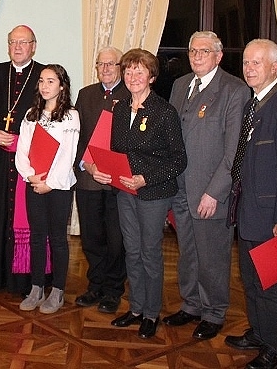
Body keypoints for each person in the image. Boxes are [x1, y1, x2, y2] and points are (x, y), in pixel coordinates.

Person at [224, 39, 277, 369]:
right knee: (250, 280)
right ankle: (260, 333)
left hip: (273, 216)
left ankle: (276, 350)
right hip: (249, 211)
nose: (248, 68)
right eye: (246, 62)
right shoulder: (253, 105)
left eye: (256, 62)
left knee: (270, 283)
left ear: (275, 67)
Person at [164, 31, 250, 340]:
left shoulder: (234, 90)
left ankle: (214, 312)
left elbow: (234, 151)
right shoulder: (180, 85)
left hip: (211, 191)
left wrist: (215, 192)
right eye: (193, 51)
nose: (197, 56)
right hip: (180, 188)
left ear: (218, 56)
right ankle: (191, 305)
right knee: (188, 252)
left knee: (212, 256)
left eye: (204, 51)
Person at [108, 49, 186, 340]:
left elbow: (179, 160)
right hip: (125, 190)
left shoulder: (165, 112)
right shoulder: (119, 109)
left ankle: (152, 313)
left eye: (139, 71)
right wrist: (105, 170)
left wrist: (145, 178)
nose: (132, 77)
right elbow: (116, 150)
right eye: (128, 71)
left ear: (151, 77)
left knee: (150, 252)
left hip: (154, 192)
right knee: (132, 250)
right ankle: (136, 308)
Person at [0, 25, 45, 294]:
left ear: (33, 46)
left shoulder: (43, 74)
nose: (17, 47)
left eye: (23, 42)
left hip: (29, 160)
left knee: (27, 218)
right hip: (0, 159)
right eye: (12, 42)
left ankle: (25, 280)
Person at [15, 64, 80, 314]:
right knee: (37, 237)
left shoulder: (70, 116)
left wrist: (49, 183)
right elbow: (23, 150)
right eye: (41, 81)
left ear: (62, 86)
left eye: (51, 81)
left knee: (58, 238)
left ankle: (58, 290)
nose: (44, 86)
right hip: (34, 182)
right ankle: (36, 287)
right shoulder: (32, 114)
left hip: (59, 187)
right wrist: (30, 176)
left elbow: (67, 153)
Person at [73, 47, 129, 314]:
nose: (105, 69)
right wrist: (87, 165)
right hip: (89, 179)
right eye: (100, 64)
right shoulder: (85, 95)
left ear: (121, 67)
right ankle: (95, 285)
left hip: (118, 184)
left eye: (111, 64)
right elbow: (76, 136)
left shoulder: (131, 94)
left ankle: (113, 290)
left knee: (116, 240)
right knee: (91, 239)